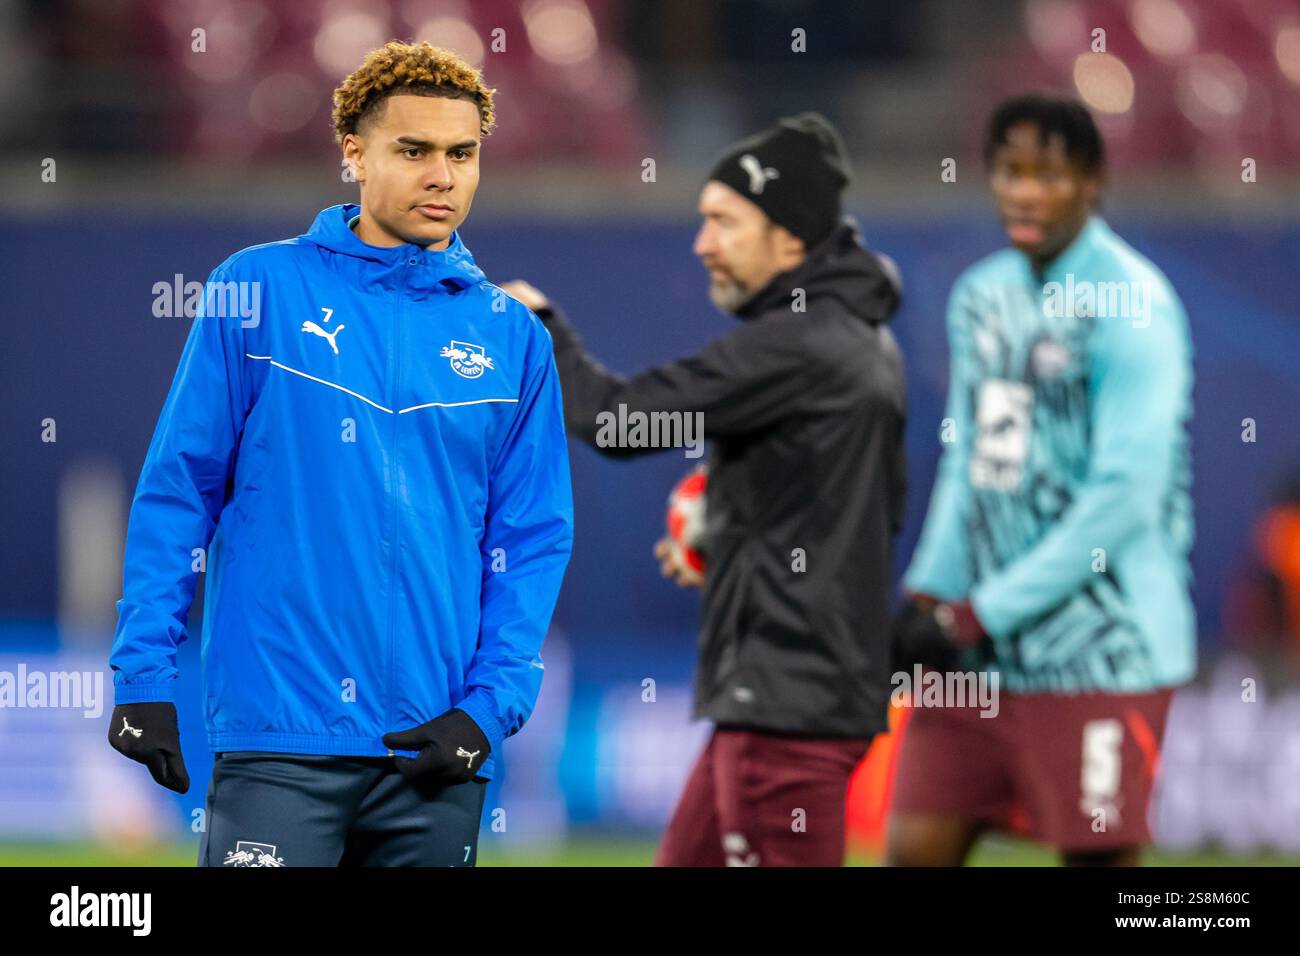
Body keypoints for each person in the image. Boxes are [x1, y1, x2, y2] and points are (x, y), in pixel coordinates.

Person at [107, 41, 573, 867]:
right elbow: (179, 491)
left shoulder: (513, 338)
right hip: (281, 737)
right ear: (353, 152)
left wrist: (488, 709)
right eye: (414, 150)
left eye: (462, 154)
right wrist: (144, 674)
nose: (443, 175)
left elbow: (532, 541)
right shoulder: (257, 289)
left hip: (436, 746)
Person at [504, 113, 906, 866]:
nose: (703, 244)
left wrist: (542, 331)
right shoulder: (861, 339)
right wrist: (730, 533)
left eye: (724, 222)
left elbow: (623, 424)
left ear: (789, 238)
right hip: (790, 696)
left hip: (784, 708)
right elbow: (847, 514)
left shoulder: (794, 344)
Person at [887, 93, 1195, 867]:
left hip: (1104, 651)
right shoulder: (982, 297)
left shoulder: (1135, 306)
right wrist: (927, 596)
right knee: (913, 849)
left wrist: (977, 612)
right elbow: (975, 461)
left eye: (1048, 175)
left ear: (1093, 183)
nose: (1025, 192)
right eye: (1010, 172)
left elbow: (1124, 499)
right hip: (980, 663)